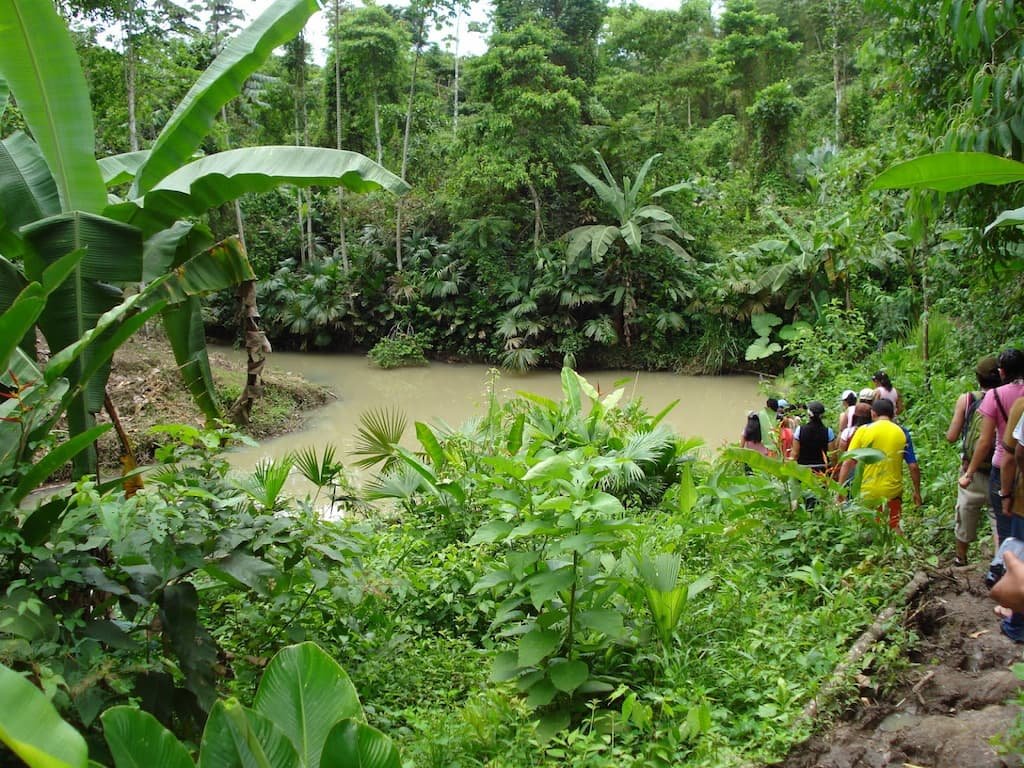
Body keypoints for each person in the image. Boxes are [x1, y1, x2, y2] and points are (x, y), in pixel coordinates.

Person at [960, 349, 1024, 545]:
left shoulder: (995, 396)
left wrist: (969, 473)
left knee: (1005, 528)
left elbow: (985, 440)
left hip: (1002, 466)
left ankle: (1005, 569)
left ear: (1002, 372)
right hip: (1022, 470)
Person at [945, 356, 1001, 566]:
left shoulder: (968, 399)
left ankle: (961, 558)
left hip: (972, 470)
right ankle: (1000, 565)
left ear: (978, 377)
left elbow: (952, 436)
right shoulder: (1010, 398)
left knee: (966, 511)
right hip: (1003, 468)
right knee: (998, 518)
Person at [837, 398, 909, 532]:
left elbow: (849, 461)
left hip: (868, 490)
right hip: (893, 490)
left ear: (873, 413)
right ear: (893, 414)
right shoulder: (901, 432)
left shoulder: (864, 430)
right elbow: (912, 464)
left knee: (870, 530)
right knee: (894, 527)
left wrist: (840, 489)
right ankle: (896, 551)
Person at [792, 401, 836, 472]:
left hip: (803, 471)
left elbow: (795, 454)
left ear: (808, 414)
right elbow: (832, 456)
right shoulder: (828, 432)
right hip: (822, 471)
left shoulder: (799, 430)